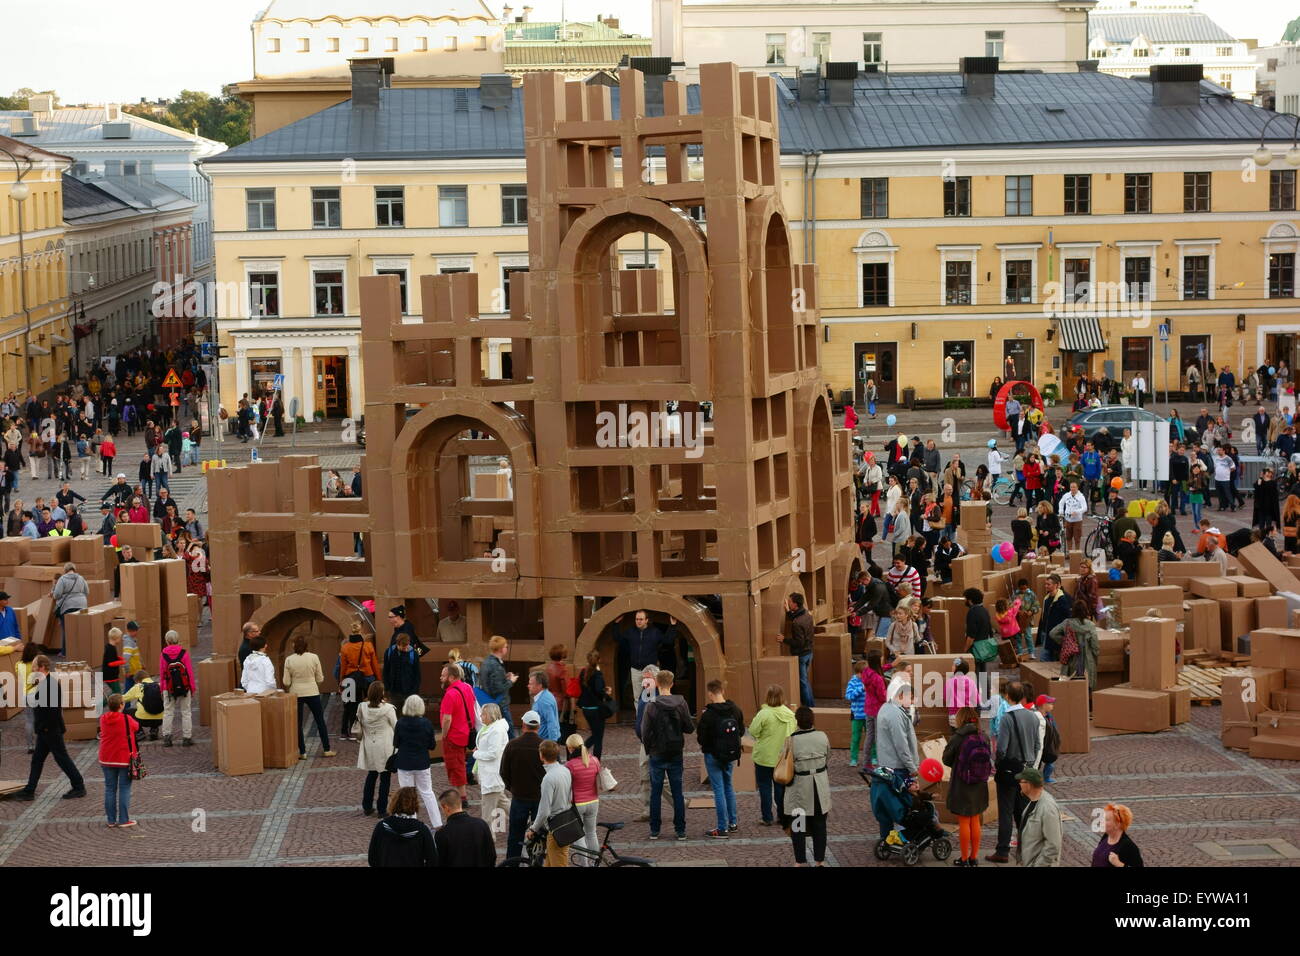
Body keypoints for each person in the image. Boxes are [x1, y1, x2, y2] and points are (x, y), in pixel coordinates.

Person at [13, 655, 87, 801]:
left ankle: (79, 786)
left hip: (50, 730)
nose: (32, 670)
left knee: (61, 758)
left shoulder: (49, 685)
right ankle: (29, 790)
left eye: (34, 667)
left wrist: (45, 728)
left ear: (41, 667)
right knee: (37, 760)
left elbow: (52, 711)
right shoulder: (44, 683)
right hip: (45, 730)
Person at [639, 668, 694, 841]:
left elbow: (644, 732)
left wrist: (649, 750)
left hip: (657, 753)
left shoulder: (652, 705)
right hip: (675, 752)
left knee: (656, 792)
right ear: (672, 684)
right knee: (678, 792)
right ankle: (680, 830)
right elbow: (690, 728)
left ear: (657, 683)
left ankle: (655, 830)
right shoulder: (681, 703)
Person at [988, 681, 1038, 864]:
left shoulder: (1008, 718)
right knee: (1022, 812)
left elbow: (1001, 748)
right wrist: (1031, 764)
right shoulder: (1033, 716)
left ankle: (1002, 851)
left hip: (1010, 770)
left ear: (1008, 696)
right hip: (1027, 769)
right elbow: (1037, 744)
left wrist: (998, 762)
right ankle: (1026, 848)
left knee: (1006, 811)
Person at [943, 706, 991, 866]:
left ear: (960, 720)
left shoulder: (958, 737)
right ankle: (974, 858)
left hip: (962, 783)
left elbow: (946, 759)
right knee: (975, 819)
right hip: (979, 783)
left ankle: (963, 859)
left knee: (964, 820)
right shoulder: (983, 737)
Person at [697, 678, 744, 837]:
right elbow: (742, 731)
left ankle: (722, 827)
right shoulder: (735, 709)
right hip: (730, 755)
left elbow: (701, 738)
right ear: (722, 691)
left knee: (718, 790)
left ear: (710, 694)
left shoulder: (708, 714)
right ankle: (733, 823)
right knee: (729, 786)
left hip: (713, 755)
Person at [784, 706, 832, 866]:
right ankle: (820, 860)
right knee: (820, 825)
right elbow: (828, 757)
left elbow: (784, 763)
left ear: (797, 721)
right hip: (819, 786)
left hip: (800, 789)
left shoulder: (791, 740)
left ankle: (800, 861)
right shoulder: (822, 736)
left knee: (798, 826)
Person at [748, 683, 796, 827]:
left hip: (764, 756)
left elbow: (753, 731)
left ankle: (767, 817)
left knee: (764, 787)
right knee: (781, 788)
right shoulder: (790, 714)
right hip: (782, 757)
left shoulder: (764, 713)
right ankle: (782, 816)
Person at [393, 694, 442, 829]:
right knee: (427, 792)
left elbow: (396, 743)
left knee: (407, 793)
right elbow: (432, 745)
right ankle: (437, 822)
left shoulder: (400, 723)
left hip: (404, 763)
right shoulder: (426, 723)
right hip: (422, 762)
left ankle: (411, 822)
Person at [501, 710, 545, 859]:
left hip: (519, 797)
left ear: (524, 725)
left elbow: (503, 772)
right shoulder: (545, 746)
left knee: (515, 835)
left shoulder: (513, 745)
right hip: (540, 797)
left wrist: (512, 787)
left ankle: (512, 862)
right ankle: (536, 861)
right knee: (538, 835)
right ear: (538, 726)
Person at [283, 634, 334, 759]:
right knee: (320, 720)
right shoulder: (314, 657)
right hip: (312, 691)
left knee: (298, 723)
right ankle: (327, 749)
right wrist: (313, 683)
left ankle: (303, 752)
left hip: (296, 692)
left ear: (294, 645)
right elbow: (320, 678)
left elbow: (286, 682)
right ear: (307, 645)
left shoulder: (289, 659)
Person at [614, 609, 678, 706]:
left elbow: (667, 641)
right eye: (636, 619)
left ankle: (651, 720)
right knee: (637, 698)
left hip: (651, 670)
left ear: (646, 620)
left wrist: (673, 626)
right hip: (635, 670)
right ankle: (640, 720)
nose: (638, 621)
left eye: (641, 619)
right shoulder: (630, 632)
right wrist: (616, 624)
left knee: (651, 698)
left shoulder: (655, 632)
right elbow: (618, 639)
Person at [527, 739, 575, 866]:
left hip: (556, 827)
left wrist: (533, 828)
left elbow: (544, 811)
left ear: (541, 755)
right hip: (566, 821)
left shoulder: (548, 779)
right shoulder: (565, 770)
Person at [98, 693, 140, 829]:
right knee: (124, 789)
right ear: (121, 705)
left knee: (110, 789)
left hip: (106, 758)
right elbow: (137, 727)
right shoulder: (127, 719)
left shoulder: (103, 718)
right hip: (124, 758)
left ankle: (111, 820)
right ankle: (123, 820)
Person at [367, 787, 438, 867]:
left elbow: (372, 858)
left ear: (394, 802)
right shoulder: (422, 830)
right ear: (415, 804)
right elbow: (432, 860)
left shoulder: (382, 826)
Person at [439, 662, 478, 800]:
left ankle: (462, 797)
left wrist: (444, 735)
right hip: (466, 732)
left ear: (451, 677)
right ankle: (461, 794)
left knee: (456, 766)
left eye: (443, 676)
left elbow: (447, 719)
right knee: (459, 763)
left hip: (453, 736)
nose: (440, 678)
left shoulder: (450, 694)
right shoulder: (467, 687)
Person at [357, 680, 396, 817]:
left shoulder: (362, 707)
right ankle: (382, 809)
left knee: (371, 775)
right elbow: (395, 726)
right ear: (382, 693)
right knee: (385, 778)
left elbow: (360, 722)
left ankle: (367, 806)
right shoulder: (388, 709)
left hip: (369, 745)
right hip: (385, 745)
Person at [473, 702, 511, 839]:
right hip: (490, 775)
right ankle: (524, 820)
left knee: (487, 813)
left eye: (483, 714)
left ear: (491, 715)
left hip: (492, 776)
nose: (480, 716)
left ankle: (488, 839)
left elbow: (493, 753)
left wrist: (476, 754)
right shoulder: (489, 727)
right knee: (503, 803)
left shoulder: (496, 730)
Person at [564, 733, 603, 863]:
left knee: (579, 836)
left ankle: (584, 864)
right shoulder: (594, 761)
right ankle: (594, 862)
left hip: (577, 804)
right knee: (592, 833)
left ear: (570, 748)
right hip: (593, 801)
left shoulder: (570, 765)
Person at [434, 789, 496, 867]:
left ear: (446, 807)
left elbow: (441, 862)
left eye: (441, 808)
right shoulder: (481, 824)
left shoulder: (442, 833)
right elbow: (491, 855)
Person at [1016, 767, 1062, 867]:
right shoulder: (1032, 802)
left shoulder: (1047, 808)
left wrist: (1038, 864)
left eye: (1021, 781)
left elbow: (1053, 845)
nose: (1019, 784)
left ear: (1029, 785)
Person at [1053, 598, 1101, 688]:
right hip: (1087, 660)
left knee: (1073, 685)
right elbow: (1095, 646)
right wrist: (1095, 656)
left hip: (1072, 659)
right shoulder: (1090, 625)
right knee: (1088, 685)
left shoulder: (1067, 623)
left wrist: (1065, 641)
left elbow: (1053, 633)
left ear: (1073, 610)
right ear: (1085, 610)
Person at [158, 630, 194, 747]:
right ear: (178, 640)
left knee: (168, 712)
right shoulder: (184, 653)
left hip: (169, 688)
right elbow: (189, 672)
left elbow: (162, 674)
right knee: (186, 712)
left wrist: (162, 689)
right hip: (184, 687)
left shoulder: (163, 655)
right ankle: (187, 737)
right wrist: (192, 688)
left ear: (167, 641)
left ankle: (167, 738)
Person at [781, 592, 816, 707]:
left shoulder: (797, 623)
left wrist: (784, 639)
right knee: (805, 680)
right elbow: (795, 617)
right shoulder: (806, 614)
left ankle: (809, 707)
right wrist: (787, 611)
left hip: (801, 654)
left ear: (795, 604)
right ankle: (812, 704)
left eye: (790, 602)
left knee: (803, 682)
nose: (788, 603)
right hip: (809, 652)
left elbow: (799, 642)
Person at [480, 634, 518, 738]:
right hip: (500, 704)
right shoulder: (495, 665)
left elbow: (491, 681)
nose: (507, 648)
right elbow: (497, 689)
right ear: (501, 649)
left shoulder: (487, 662)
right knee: (509, 733)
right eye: (506, 646)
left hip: (492, 703)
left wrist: (504, 677)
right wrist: (511, 681)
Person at [575, 650, 611, 758]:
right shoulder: (597, 673)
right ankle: (583, 755)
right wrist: (607, 692)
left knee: (596, 736)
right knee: (598, 737)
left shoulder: (583, 672)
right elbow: (599, 690)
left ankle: (578, 753)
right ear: (598, 660)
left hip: (586, 708)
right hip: (596, 709)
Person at [1094, 803, 1144, 867]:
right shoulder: (1106, 836)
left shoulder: (1128, 846)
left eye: (1106, 819)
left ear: (1118, 824)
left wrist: (1119, 864)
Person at [121, 669, 163, 741]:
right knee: (155, 706)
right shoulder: (159, 685)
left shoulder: (138, 686)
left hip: (143, 720)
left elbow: (123, 698)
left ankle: (139, 732)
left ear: (138, 680)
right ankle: (154, 730)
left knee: (126, 712)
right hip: (159, 719)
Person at [381, 632, 421, 701]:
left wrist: (415, 691)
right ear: (397, 644)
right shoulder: (389, 652)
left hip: (409, 690)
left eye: (407, 646)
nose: (406, 649)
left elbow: (417, 673)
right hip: (394, 690)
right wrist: (387, 688)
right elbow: (386, 671)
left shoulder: (413, 654)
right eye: (403, 647)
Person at [528, 670, 561, 744]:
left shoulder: (544, 701)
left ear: (539, 685)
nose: (528, 686)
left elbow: (551, 722)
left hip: (545, 743)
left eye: (531, 684)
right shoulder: (544, 695)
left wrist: (552, 744)